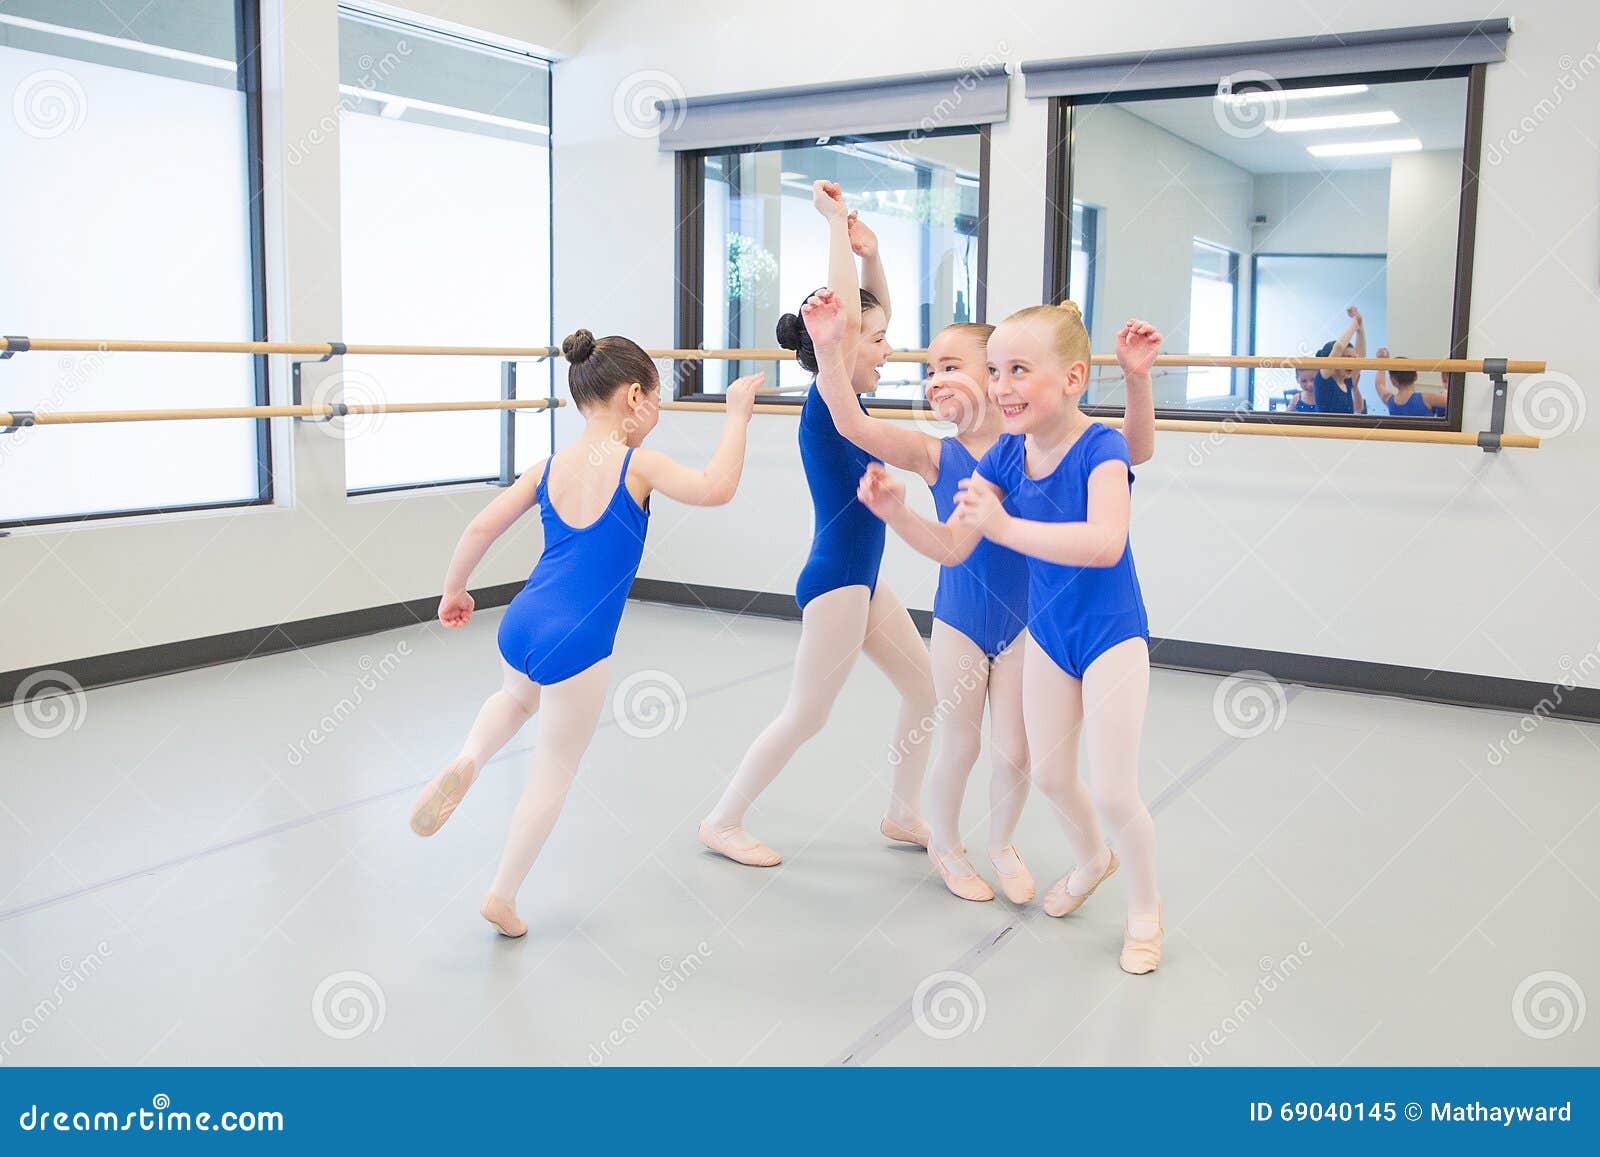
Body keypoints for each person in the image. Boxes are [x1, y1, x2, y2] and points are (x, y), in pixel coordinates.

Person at [411, 331, 763, 938]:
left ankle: (469, 757)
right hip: (578, 638)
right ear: (635, 397)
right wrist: (737, 416)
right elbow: (717, 487)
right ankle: (502, 896)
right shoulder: (638, 464)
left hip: (523, 618)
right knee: (552, 769)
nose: (657, 413)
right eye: (658, 400)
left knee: (514, 698)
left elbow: (479, 529)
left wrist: (455, 591)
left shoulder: (547, 467)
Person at [863, 300, 1164, 973]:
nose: (1001, 386)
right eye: (995, 370)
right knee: (1051, 774)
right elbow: (952, 545)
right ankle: (1092, 860)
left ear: (1073, 379)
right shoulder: (1004, 454)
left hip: (1111, 633)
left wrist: (1007, 528)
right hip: (1049, 636)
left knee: (1114, 790)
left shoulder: (1100, 447)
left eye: (1018, 370)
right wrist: (897, 513)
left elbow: (1106, 542)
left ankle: (1146, 913)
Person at [699, 182, 936, 868]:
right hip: (837, 581)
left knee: (924, 688)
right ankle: (722, 819)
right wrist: (834, 223)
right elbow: (854, 325)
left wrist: (873, 254)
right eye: (878, 341)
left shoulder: (849, 401)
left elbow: (870, 313)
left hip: (863, 580)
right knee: (808, 714)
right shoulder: (829, 401)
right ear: (840, 341)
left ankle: (902, 811)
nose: (888, 349)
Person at [1374, 347, 1449, 417]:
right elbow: (1452, 401)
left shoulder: (1389, 400)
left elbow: (1379, 385)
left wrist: (1382, 360)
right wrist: (1446, 382)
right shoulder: (1428, 398)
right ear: (1416, 376)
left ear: (1392, 381)